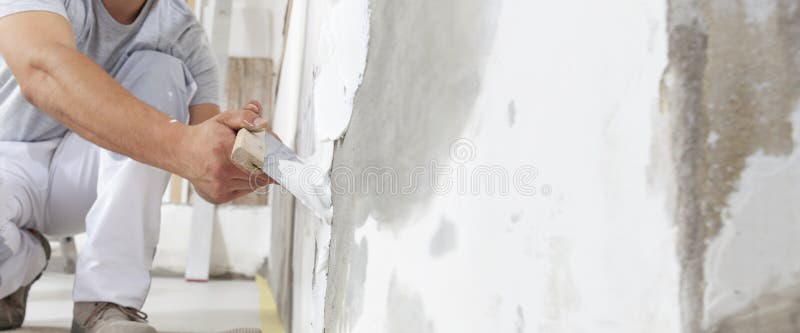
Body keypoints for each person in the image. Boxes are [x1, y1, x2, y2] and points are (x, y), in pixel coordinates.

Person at [0, 0, 272, 331]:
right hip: (6, 161)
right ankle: (21, 259)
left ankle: (107, 301)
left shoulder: (181, 35)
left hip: (79, 179)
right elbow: (40, 70)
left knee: (163, 69)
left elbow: (204, 172)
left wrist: (238, 157)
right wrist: (182, 144)